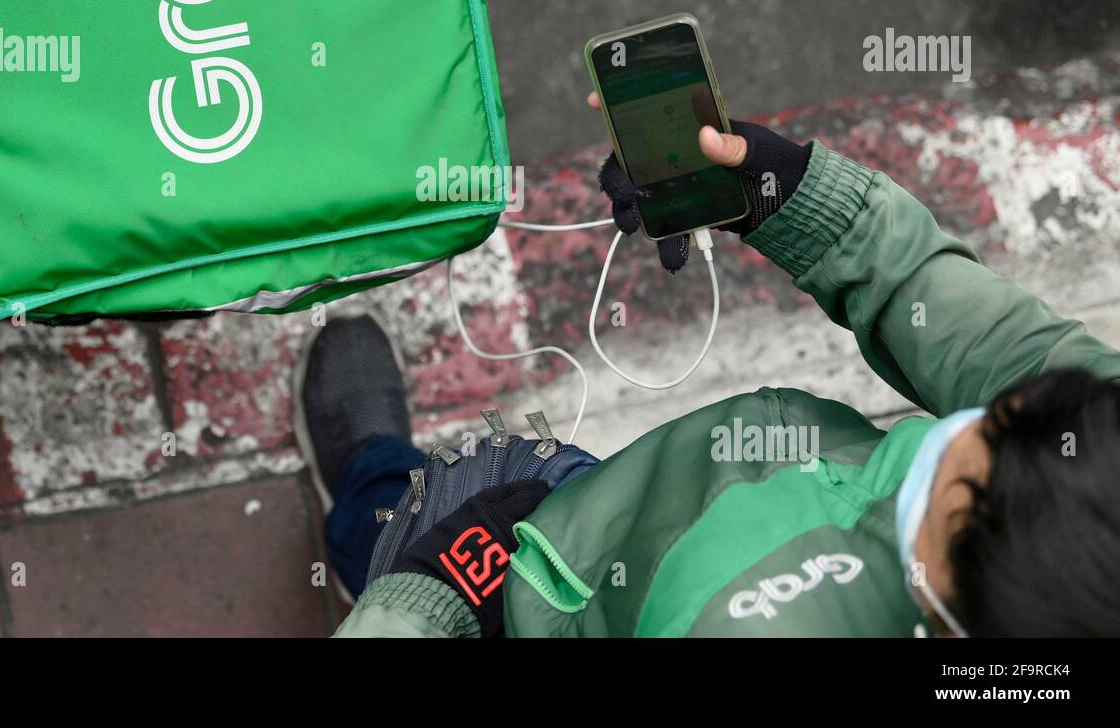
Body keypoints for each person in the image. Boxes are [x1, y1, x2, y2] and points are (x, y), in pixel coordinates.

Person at [297, 113, 1120, 637]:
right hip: (616, 508)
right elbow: (1013, 351)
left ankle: (365, 504)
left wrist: (427, 607)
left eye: (932, 503)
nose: (954, 434)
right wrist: (795, 199)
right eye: (980, 430)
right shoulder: (1087, 454)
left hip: (505, 604)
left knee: (387, 522)